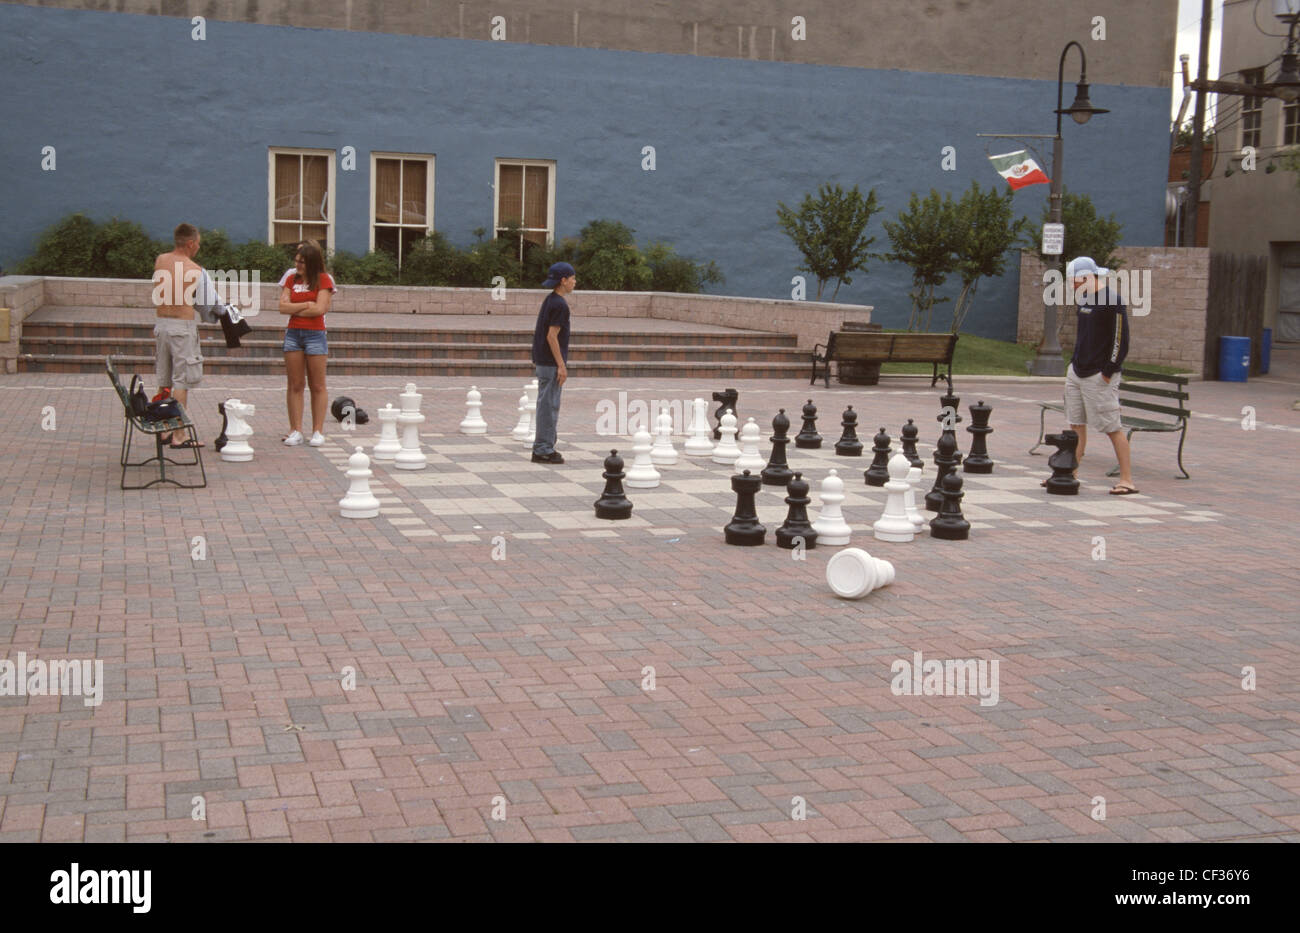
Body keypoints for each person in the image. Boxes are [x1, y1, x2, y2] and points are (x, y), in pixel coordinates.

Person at [1061, 255, 1137, 495]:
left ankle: (1127, 480)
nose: (1072, 285)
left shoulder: (1112, 301)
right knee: (1075, 424)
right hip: (1077, 372)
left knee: (1112, 426)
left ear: (1087, 277)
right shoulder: (1084, 298)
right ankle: (1069, 473)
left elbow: (1120, 341)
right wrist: (1074, 364)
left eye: (1074, 280)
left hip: (1099, 375)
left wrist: (1108, 371)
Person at [151, 223, 205, 448]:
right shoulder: (195, 269)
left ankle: (163, 429)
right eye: (198, 244)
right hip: (182, 327)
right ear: (191, 243)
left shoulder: (160, 260)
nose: (198, 248)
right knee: (181, 381)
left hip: (161, 324)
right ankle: (179, 434)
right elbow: (204, 304)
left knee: (164, 380)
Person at [279, 240, 334, 446]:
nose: (298, 265)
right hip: (293, 334)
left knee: (317, 385)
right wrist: (304, 304)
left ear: (311, 262)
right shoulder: (291, 279)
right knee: (295, 384)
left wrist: (294, 306)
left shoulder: (323, 279)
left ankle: (317, 430)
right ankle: (295, 430)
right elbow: (282, 307)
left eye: (302, 261)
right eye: (296, 260)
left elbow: (319, 309)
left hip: (315, 334)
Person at [530, 261, 576, 464]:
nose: (575, 282)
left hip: (543, 360)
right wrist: (561, 365)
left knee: (546, 404)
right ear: (563, 280)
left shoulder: (550, 300)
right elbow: (552, 336)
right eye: (573, 278)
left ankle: (545, 445)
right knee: (549, 406)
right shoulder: (559, 305)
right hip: (550, 363)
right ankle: (543, 449)